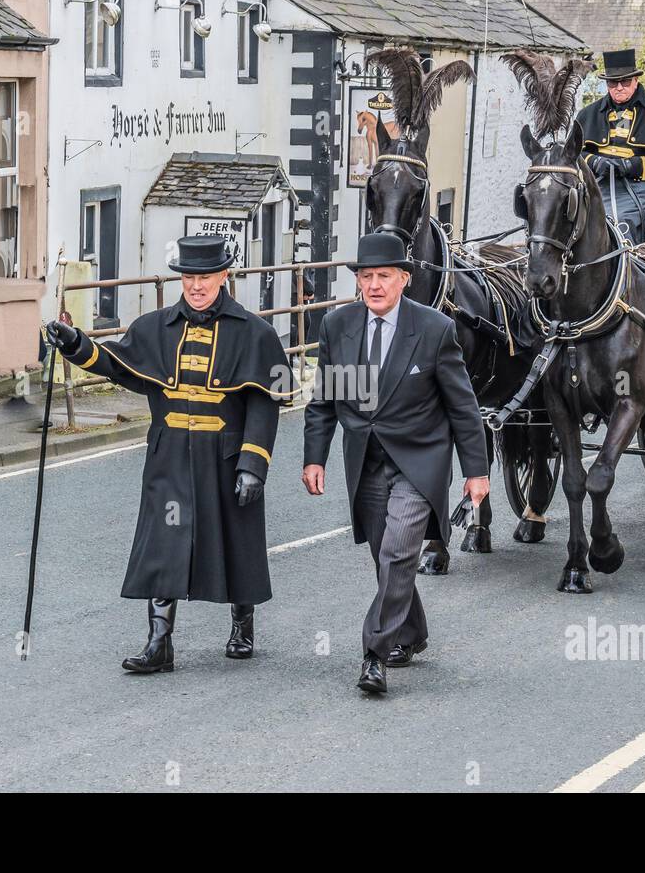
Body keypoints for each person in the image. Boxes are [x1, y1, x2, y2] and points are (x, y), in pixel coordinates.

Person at [45, 235, 292, 673]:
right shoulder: (154, 327)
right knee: (163, 542)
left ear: (223, 276)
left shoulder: (256, 333)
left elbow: (263, 402)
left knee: (236, 539)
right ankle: (160, 642)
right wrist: (74, 343)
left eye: (206, 277)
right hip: (170, 456)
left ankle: (242, 622)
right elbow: (117, 364)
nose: (197, 286)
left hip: (227, 456)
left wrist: (254, 463)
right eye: (189, 277)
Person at [302, 232, 489, 695]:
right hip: (364, 461)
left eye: (384, 276)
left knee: (399, 551)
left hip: (418, 462)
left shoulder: (433, 329)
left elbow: (462, 406)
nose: (374, 285)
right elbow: (324, 401)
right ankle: (413, 632)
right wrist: (314, 457)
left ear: (404, 279)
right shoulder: (336, 326)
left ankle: (375, 654)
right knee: (386, 558)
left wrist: (476, 470)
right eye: (366, 277)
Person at [575, 48, 645, 243]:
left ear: (636, 81)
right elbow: (574, 153)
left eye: (625, 81)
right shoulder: (587, 115)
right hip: (596, 186)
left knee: (617, 226)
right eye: (612, 82)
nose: (619, 87)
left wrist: (630, 166)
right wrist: (594, 162)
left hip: (639, 190)